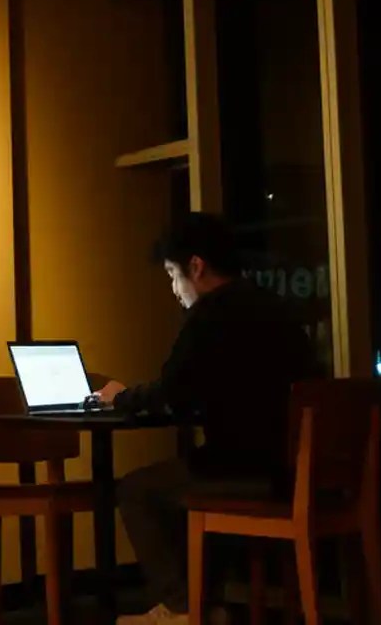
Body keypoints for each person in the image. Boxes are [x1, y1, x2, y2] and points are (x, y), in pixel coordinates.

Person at [96, 212, 316, 625]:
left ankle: (183, 607)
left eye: (172, 275)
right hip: (295, 469)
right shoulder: (276, 309)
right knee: (183, 480)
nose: (174, 290)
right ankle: (207, 603)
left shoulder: (210, 315)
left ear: (196, 267)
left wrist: (122, 396)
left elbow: (171, 392)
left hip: (249, 469)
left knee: (138, 489)